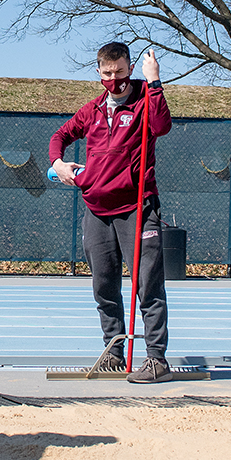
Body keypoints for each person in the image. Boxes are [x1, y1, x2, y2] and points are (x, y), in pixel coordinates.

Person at [49, 41, 173, 384]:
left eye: (119, 71)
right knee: (104, 286)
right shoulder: (92, 110)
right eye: (107, 73)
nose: (113, 78)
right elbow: (60, 135)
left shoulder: (145, 100)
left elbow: (162, 126)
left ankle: (156, 360)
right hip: (96, 209)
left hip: (136, 208)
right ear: (99, 72)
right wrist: (58, 164)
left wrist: (155, 82)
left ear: (130, 68)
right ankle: (113, 354)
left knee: (147, 285)